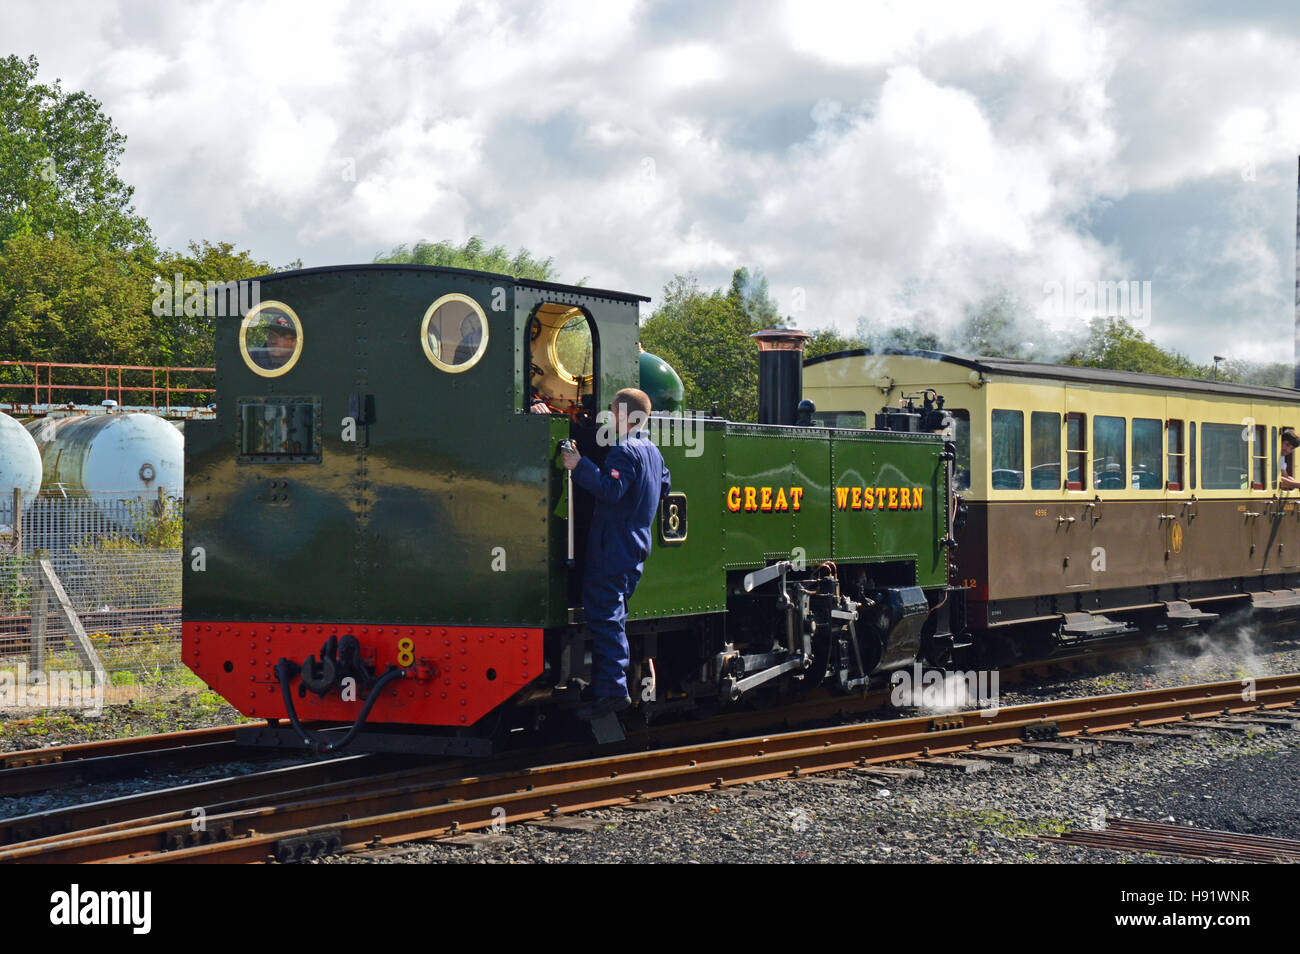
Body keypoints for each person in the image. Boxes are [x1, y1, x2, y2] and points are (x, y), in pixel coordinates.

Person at [560, 388, 671, 720]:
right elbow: (663, 486)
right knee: (614, 617)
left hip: (613, 546)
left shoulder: (624, 450)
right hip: (635, 545)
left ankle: (612, 691)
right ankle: (608, 686)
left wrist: (579, 465)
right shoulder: (653, 451)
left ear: (622, 414)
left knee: (606, 618)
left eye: (611, 411)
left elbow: (610, 490)